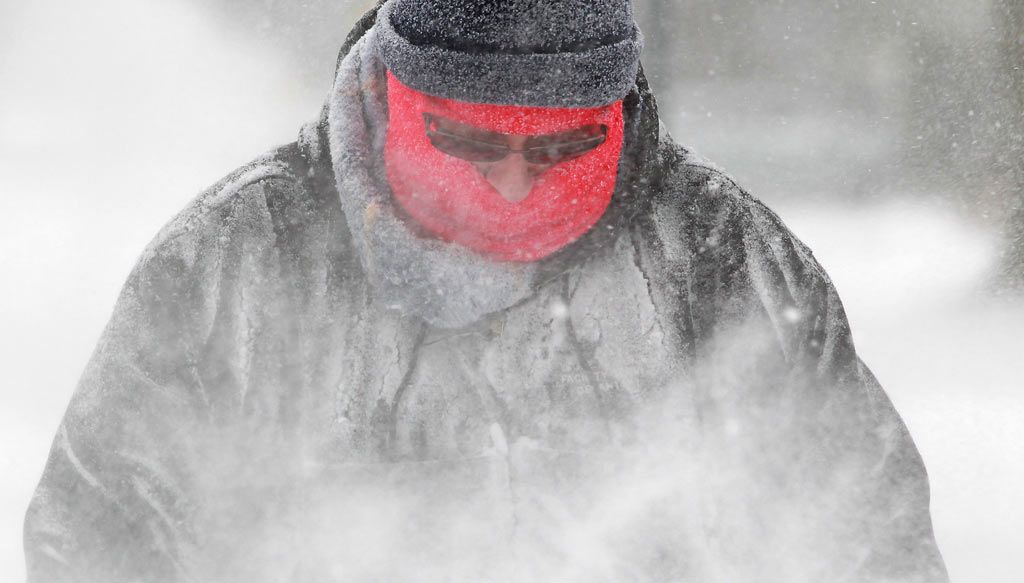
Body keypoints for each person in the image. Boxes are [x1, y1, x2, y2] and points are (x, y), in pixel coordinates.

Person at [24, 1, 949, 581]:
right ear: (395, 101)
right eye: (470, 144)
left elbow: (866, 533)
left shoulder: (719, 263)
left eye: (559, 149)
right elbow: (99, 534)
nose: (514, 186)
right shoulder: (236, 266)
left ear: (616, 117)